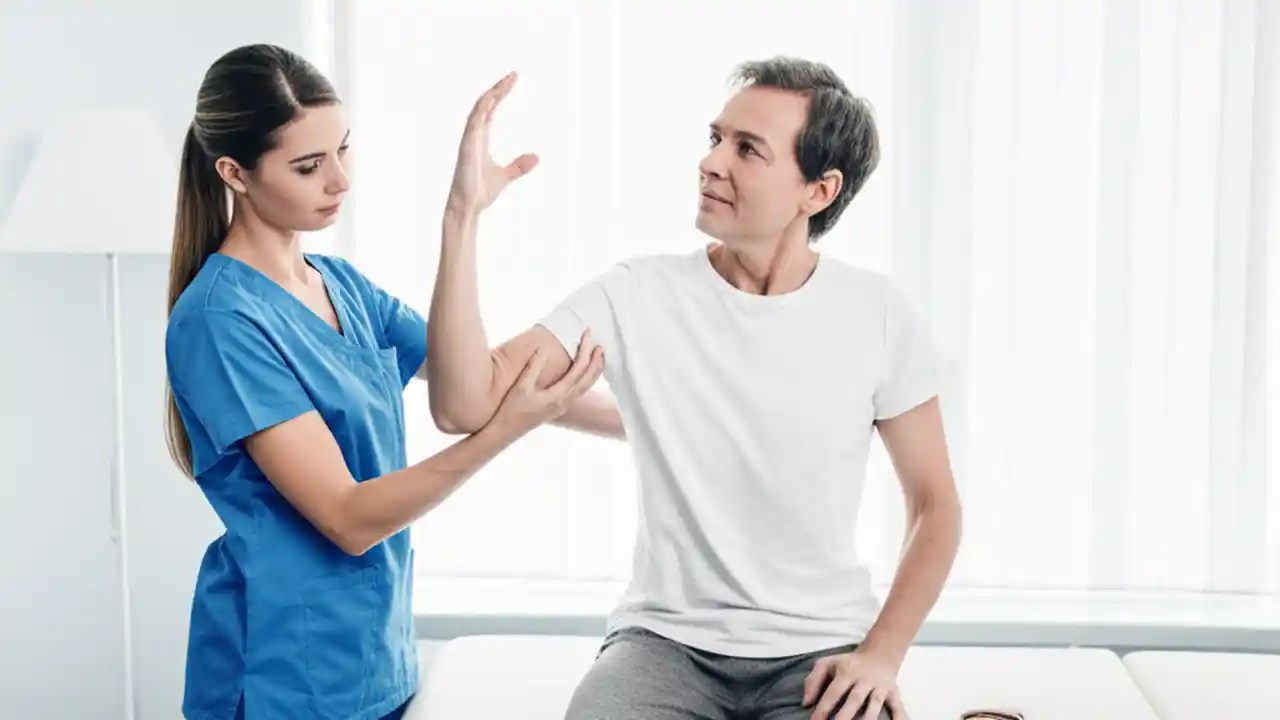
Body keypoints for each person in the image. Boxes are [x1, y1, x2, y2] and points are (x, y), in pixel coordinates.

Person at [428, 58, 964, 720]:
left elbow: (935, 507)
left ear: (818, 191)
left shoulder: (876, 313)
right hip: (663, 644)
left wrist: (881, 655)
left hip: (819, 650)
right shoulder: (636, 294)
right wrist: (462, 216)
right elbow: (463, 404)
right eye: (715, 139)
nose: (711, 163)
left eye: (747, 149)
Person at [163, 44, 606, 720]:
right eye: (309, 166)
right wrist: (503, 437)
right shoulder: (221, 320)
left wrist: (462, 217)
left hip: (375, 661)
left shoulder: (341, 288)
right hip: (286, 676)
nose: (340, 181)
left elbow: (478, 383)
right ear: (235, 173)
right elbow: (348, 519)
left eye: (344, 150)